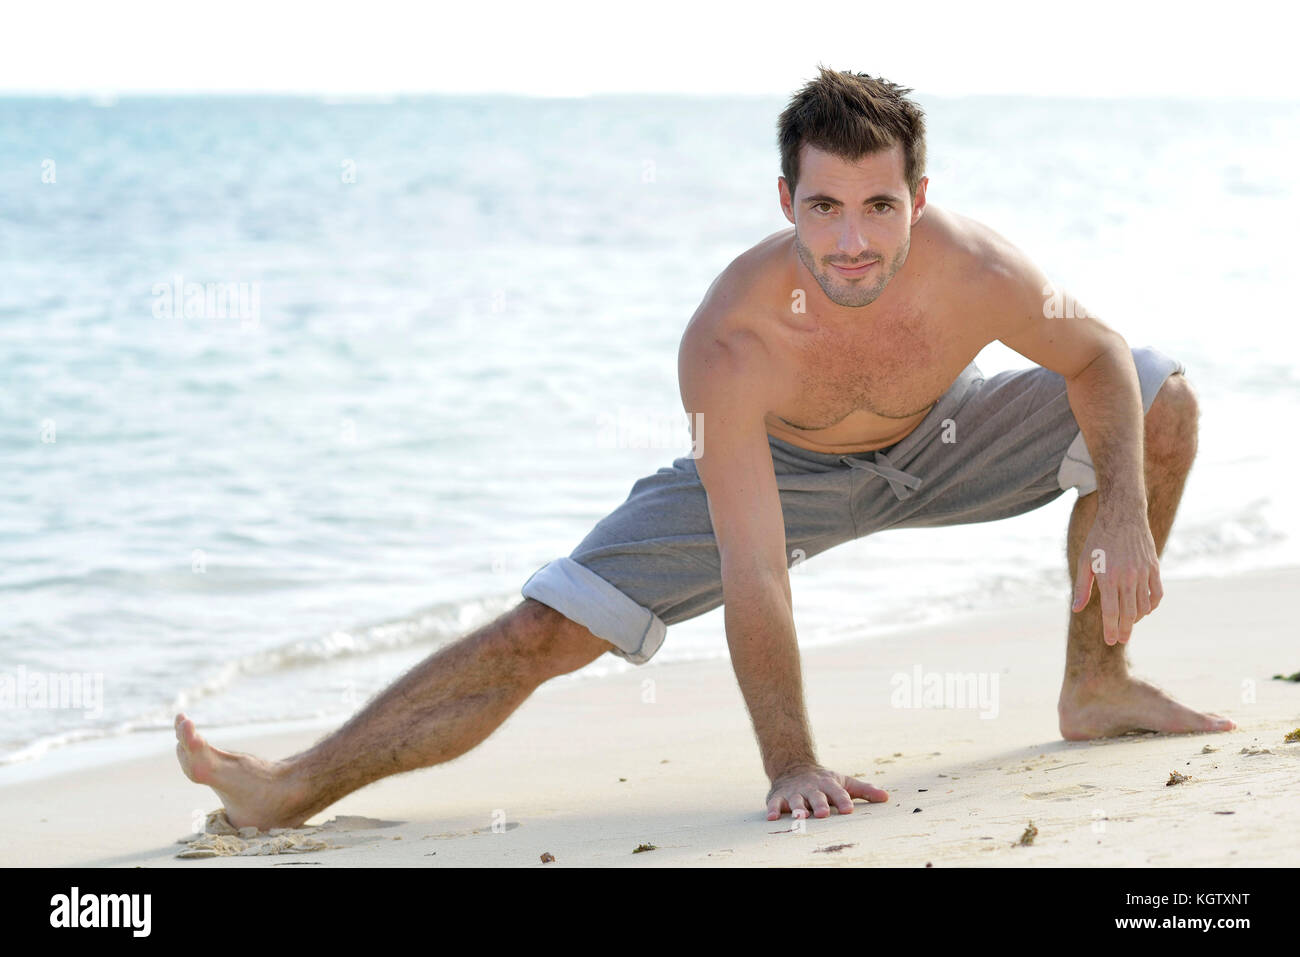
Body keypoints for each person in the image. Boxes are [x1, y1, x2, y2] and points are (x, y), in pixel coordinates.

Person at [176, 66, 1233, 830]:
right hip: (788, 475)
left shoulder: (977, 266)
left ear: (918, 197)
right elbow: (754, 571)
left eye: (877, 206)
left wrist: (1126, 514)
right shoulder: (733, 339)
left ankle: (1096, 685)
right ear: (786, 201)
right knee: (544, 628)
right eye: (823, 208)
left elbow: (1092, 355)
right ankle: (288, 787)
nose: (852, 241)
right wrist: (792, 764)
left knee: (1159, 395)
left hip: (947, 437)